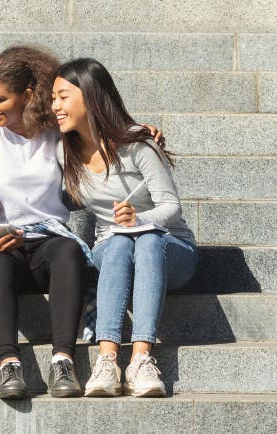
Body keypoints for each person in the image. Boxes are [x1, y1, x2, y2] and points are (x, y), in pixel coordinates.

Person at [0, 46, 94, 400]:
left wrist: (142, 133)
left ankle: (63, 361)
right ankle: (8, 364)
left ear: (28, 96)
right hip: (2, 237)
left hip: (48, 237)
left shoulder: (56, 132)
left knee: (68, 250)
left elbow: (102, 141)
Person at [52, 58, 197, 397]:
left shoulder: (138, 146)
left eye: (62, 97)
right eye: (53, 98)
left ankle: (142, 360)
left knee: (145, 241)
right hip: (114, 249)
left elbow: (172, 208)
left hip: (169, 248)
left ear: (90, 97)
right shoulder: (64, 152)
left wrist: (141, 220)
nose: (55, 106)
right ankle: (107, 361)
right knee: (117, 243)